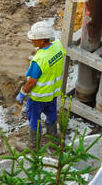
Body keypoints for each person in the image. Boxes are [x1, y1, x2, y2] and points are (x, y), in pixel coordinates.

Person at [15, 19, 65, 148]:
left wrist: (22, 94)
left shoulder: (39, 60)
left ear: (43, 40)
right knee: (52, 114)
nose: (32, 40)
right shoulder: (58, 46)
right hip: (53, 93)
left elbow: (31, 82)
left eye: (34, 38)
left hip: (38, 97)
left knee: (33, 119)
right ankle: (53, 138)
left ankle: (32, 144)